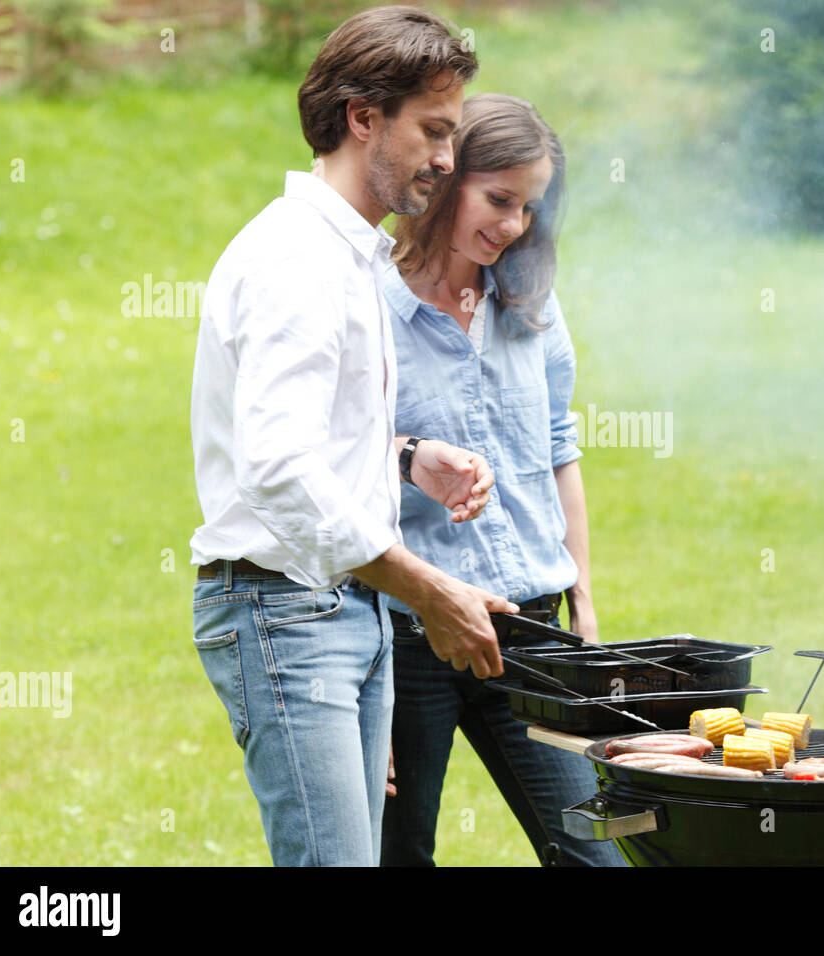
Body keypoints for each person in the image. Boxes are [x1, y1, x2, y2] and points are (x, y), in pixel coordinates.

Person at [189, 7, 518, 867]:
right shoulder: (297, 260)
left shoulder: (350, 256)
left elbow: (315, 441)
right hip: (284, 612)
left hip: (342, 608)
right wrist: (431, 590)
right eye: (434, 131)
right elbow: (280, 471)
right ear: (362, 117)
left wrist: (405, 460)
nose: (449, 160)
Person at [377, 93, 626, 866]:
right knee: (398, 854)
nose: (514, 225)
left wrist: (581, 597)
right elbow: (327, 453)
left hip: (531, 633)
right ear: (447, 177)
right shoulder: (366, 304)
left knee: (594, 851)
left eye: (529, 208)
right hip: (409, 634)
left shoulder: (532, 310)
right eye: (499, 199)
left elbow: (559, 452)